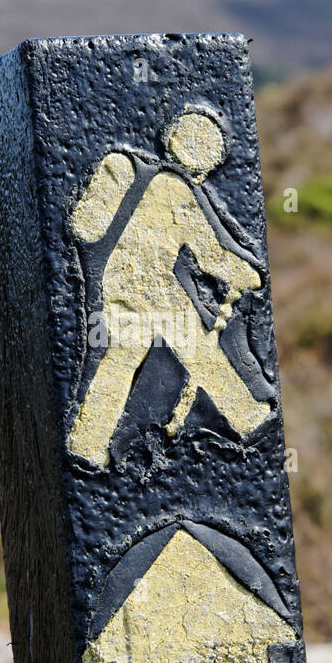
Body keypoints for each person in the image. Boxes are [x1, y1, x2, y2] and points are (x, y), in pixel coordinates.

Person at [67, 109, 271, 467]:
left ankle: (87, 442)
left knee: (119, 361)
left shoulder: (147, 178)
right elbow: (208, 253)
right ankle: (248, 417)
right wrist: (244, 275)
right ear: (203, 161)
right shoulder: (175, 190)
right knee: (201, 353)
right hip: (153, 290)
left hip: (116, 283)